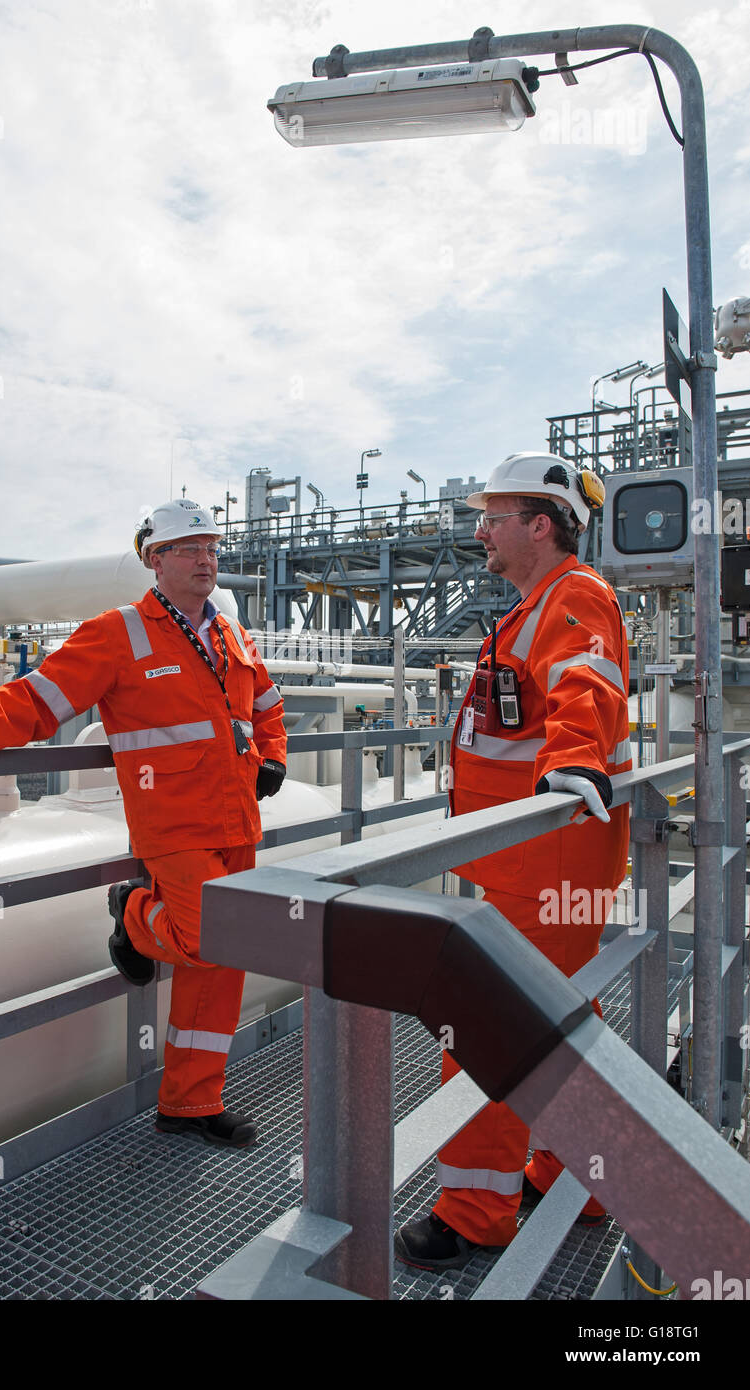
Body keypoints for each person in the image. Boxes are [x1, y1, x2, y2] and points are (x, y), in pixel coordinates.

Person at [0, 499, 287, 1149]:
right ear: (156, 561)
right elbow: (42, 698)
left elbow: (266, 701)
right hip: (173, 822)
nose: (206, 559)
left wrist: (273, 757)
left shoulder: (230, 637)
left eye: (211, 547)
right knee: (203, 937)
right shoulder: (119, 632)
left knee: (226, 957)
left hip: (235, 817)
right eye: (190, 548)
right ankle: (131, 914)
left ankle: (190, 1102)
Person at [394, 453, 631, 1271]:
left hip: (544, 857)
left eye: (492, 516)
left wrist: (571, 761)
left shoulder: (573, 596)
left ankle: (472, 1212)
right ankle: (581, 1176)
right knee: (557, 1019)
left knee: (483, 1021)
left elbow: (586, 682)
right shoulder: (536, 604)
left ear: (539, 523)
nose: (479, 530)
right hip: (531, 858)